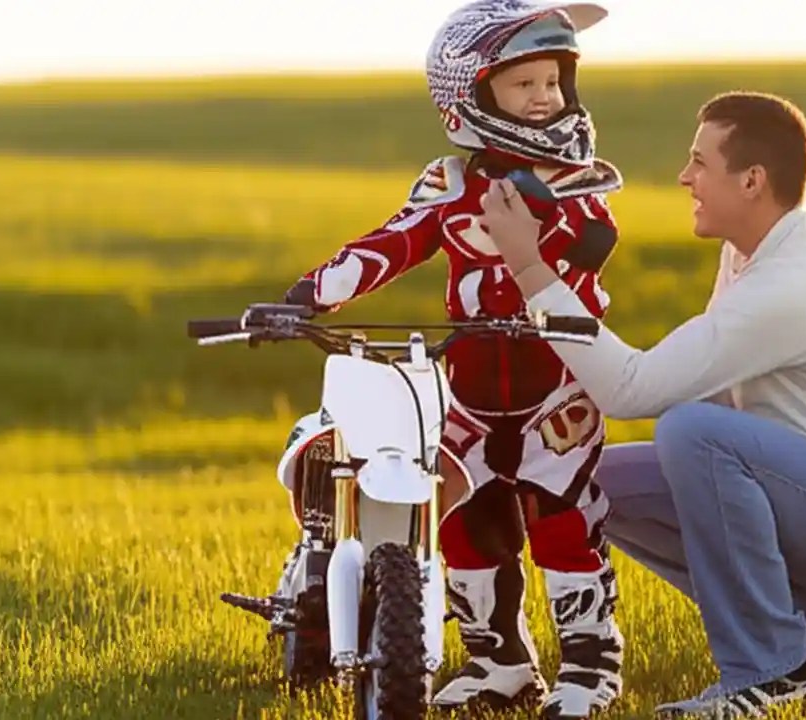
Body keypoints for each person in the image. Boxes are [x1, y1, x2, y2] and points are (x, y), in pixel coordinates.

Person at [479, 90, 806, 717]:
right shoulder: (752, 251)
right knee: (587, 483)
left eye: (700, 163)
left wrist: (530, 269)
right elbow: (695, 382)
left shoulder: (797, 280)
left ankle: (773, 671)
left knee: (692, 432)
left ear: (751, 181)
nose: (684, 177)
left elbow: (633, 391)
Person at [273, 1, 628, 717]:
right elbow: (393, 241)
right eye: (523, 83)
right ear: (470, 96)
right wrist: (315, 293)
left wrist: (549, 220)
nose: (545, 98)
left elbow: (595, 235)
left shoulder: (578, 180)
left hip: (555, 388)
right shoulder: (448, 183)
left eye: (554, 81)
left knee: (563, 524)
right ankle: (498, 661)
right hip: (464, 391)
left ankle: (591, 667)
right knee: (466, 525)